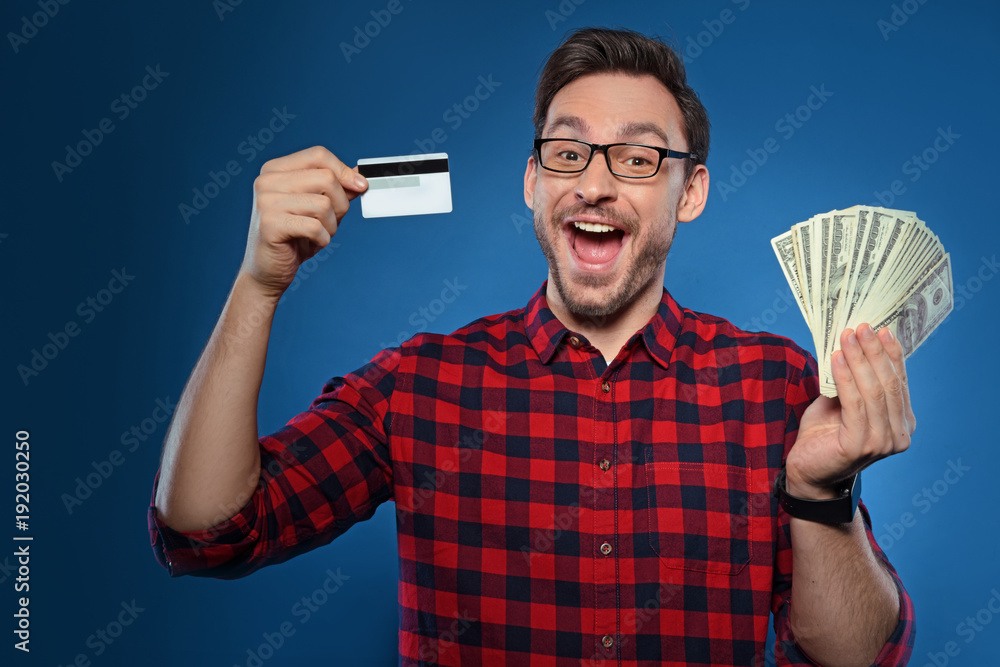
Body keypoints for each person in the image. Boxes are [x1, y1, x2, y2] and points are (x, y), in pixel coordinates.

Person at [148, 27, 915, 666]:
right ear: (532, 182)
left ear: (691, 192)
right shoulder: (420, 384)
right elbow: (206, 531)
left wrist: (821, 496)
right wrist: (258, 284)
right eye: (568, 152)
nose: (595, 183)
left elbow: (855, 656)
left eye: (639, 158)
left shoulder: (776, 385)